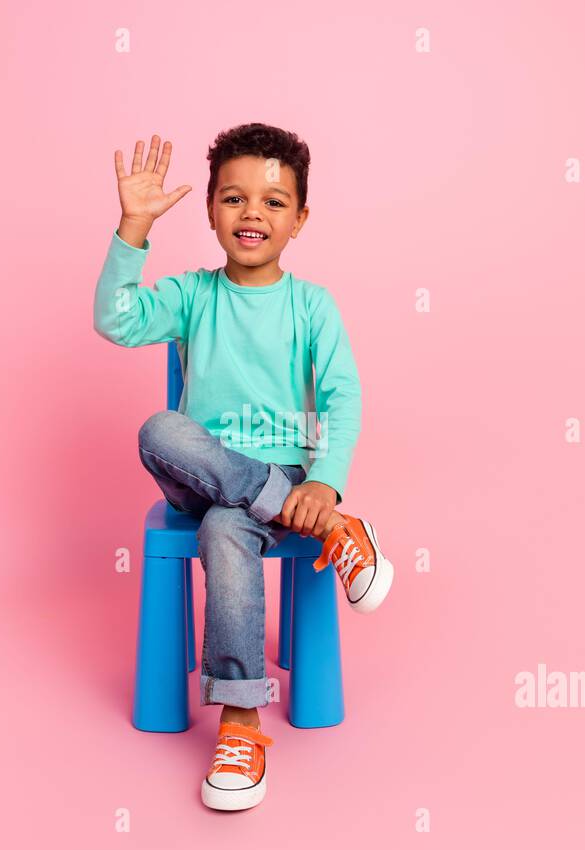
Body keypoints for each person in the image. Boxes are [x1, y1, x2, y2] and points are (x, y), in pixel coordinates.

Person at [93, 125, 393, 811]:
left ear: (299, 220)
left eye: (274, 202)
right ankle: (329, 530)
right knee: (159, 428)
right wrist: (131, 230)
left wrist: (322, 481)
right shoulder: (193, 295)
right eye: (233, 197)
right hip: (203, 473)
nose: (252, 213)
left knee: (227, 531)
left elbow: (343, 395)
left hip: (281, 473)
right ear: (209, 210)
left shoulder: (311, 306)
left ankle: (240, 721)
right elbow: (114, 320)